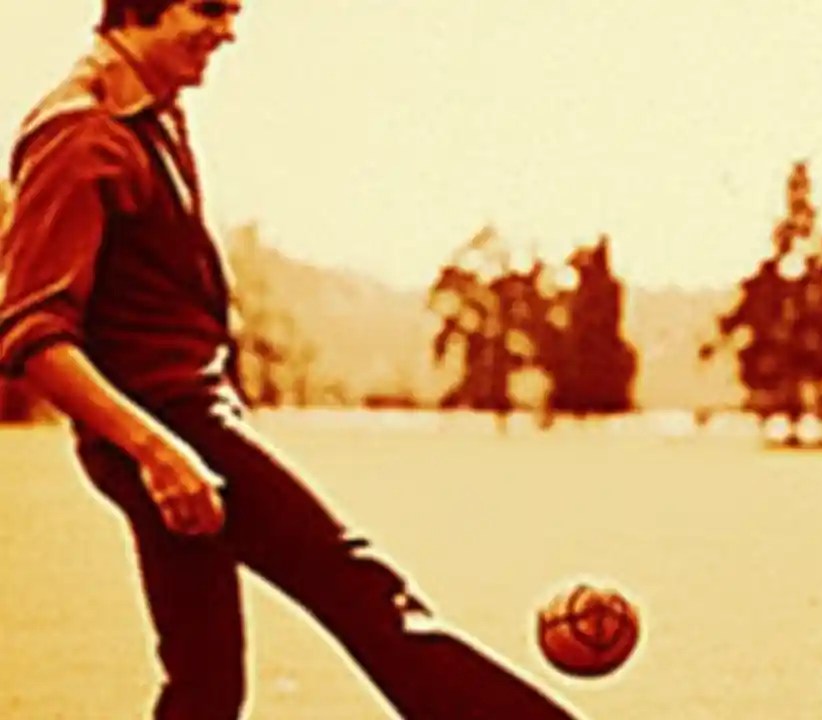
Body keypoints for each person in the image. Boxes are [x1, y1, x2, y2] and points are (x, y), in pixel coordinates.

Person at [0, 2, 585, 718]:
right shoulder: (79, 133)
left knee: (205, 684)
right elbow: (32, 337)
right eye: (209, 8)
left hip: (186, 426)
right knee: (373, 602)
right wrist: (159, 453)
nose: (228, 30)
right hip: (173, 432)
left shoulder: (153, 111)